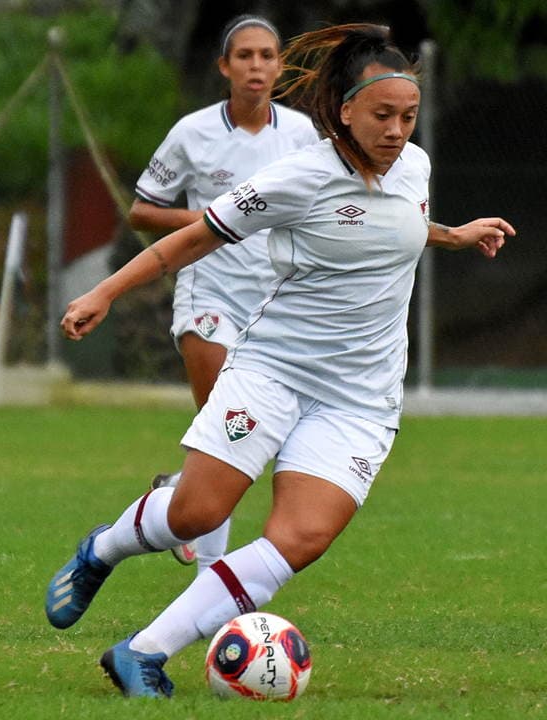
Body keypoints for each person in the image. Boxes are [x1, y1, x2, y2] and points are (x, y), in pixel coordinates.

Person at [45, 23, 516, 698]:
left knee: (300, 537)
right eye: (382, 115)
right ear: (345, 111)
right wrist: (104, 293)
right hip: (274, 373)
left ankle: (141, 653)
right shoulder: (298, 177)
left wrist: (453, 235)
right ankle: (103, 549)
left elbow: (398, 225)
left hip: (360, 398)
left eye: (408, 116)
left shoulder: (415, 167)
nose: (396, 130)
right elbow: (192, 239)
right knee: (196, 514)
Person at [128, 14, 318, 570]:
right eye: (244, 55)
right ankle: (213, 582)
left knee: (250, 437)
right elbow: (142, 209)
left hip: (275, 304)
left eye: (267, 56)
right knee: (227, 427)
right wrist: (216, 219)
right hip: (209, 293)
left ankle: (177, 489)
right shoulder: (192, 133)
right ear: (224, 67)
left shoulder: (302, 134)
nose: (256, 66)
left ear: (280, 67)